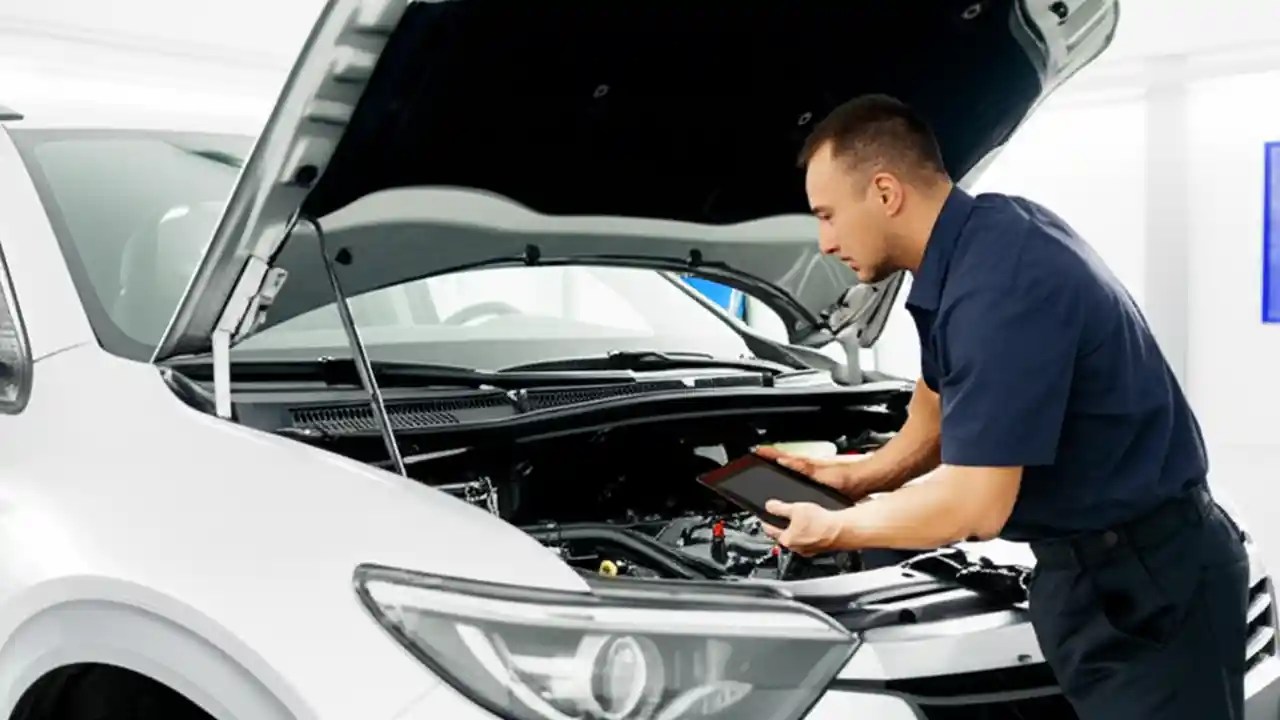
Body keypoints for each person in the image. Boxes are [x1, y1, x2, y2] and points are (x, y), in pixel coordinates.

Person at [757, 94, 1249, 719]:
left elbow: (976, 505)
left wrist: (836, 529)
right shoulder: (980, 242)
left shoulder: (999, 286)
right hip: (1099, 570)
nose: (823, 243)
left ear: (885, 192)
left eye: (827, 216)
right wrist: (856, 477)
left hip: (1147, 586)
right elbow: (932, 408)